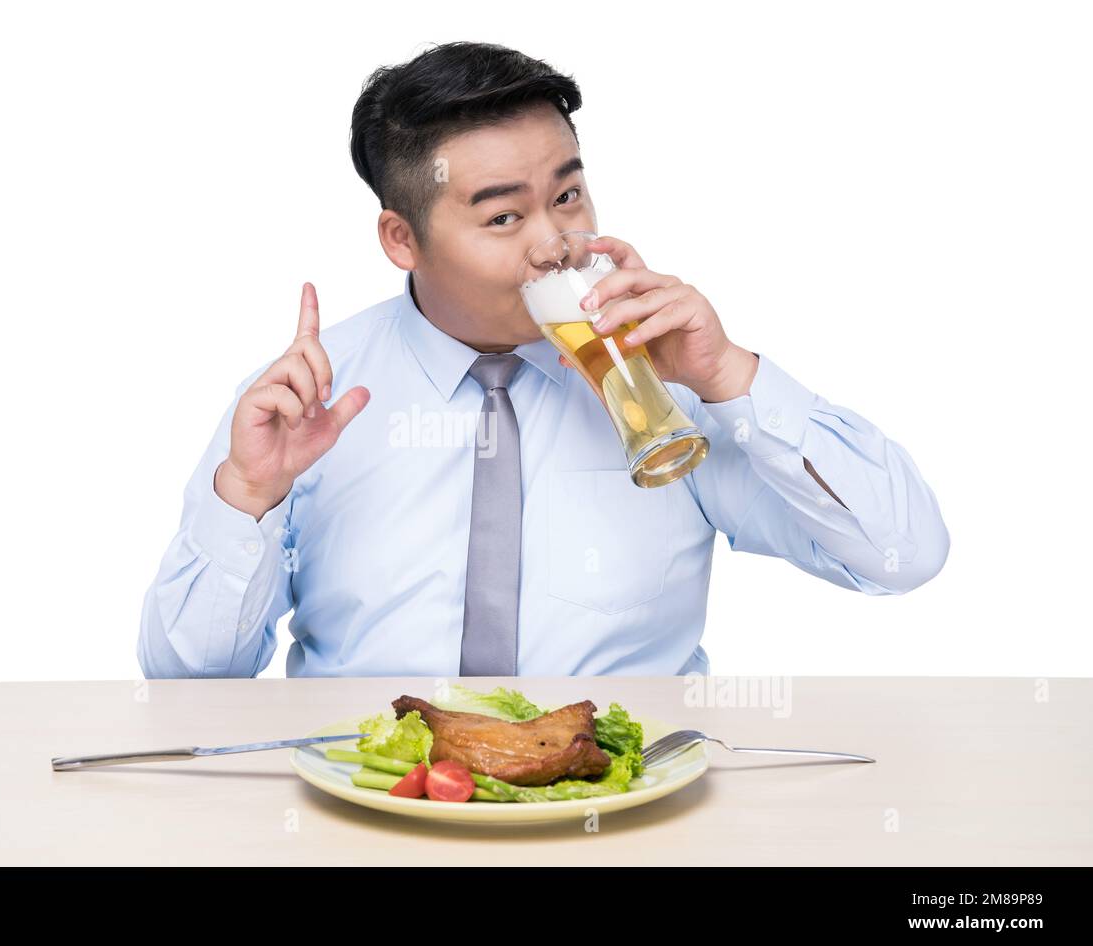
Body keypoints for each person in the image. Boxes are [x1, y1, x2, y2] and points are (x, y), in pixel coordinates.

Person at [137, 41, 949, 679]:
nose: (553, 242)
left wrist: (732, 376)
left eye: (566, 196)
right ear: (402, 238)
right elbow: (184, 683)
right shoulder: (310, 402)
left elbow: (902, 555)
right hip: (370, 811)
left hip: (625, 812)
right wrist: (247, 494)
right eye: (501, 218)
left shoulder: (660, 381)